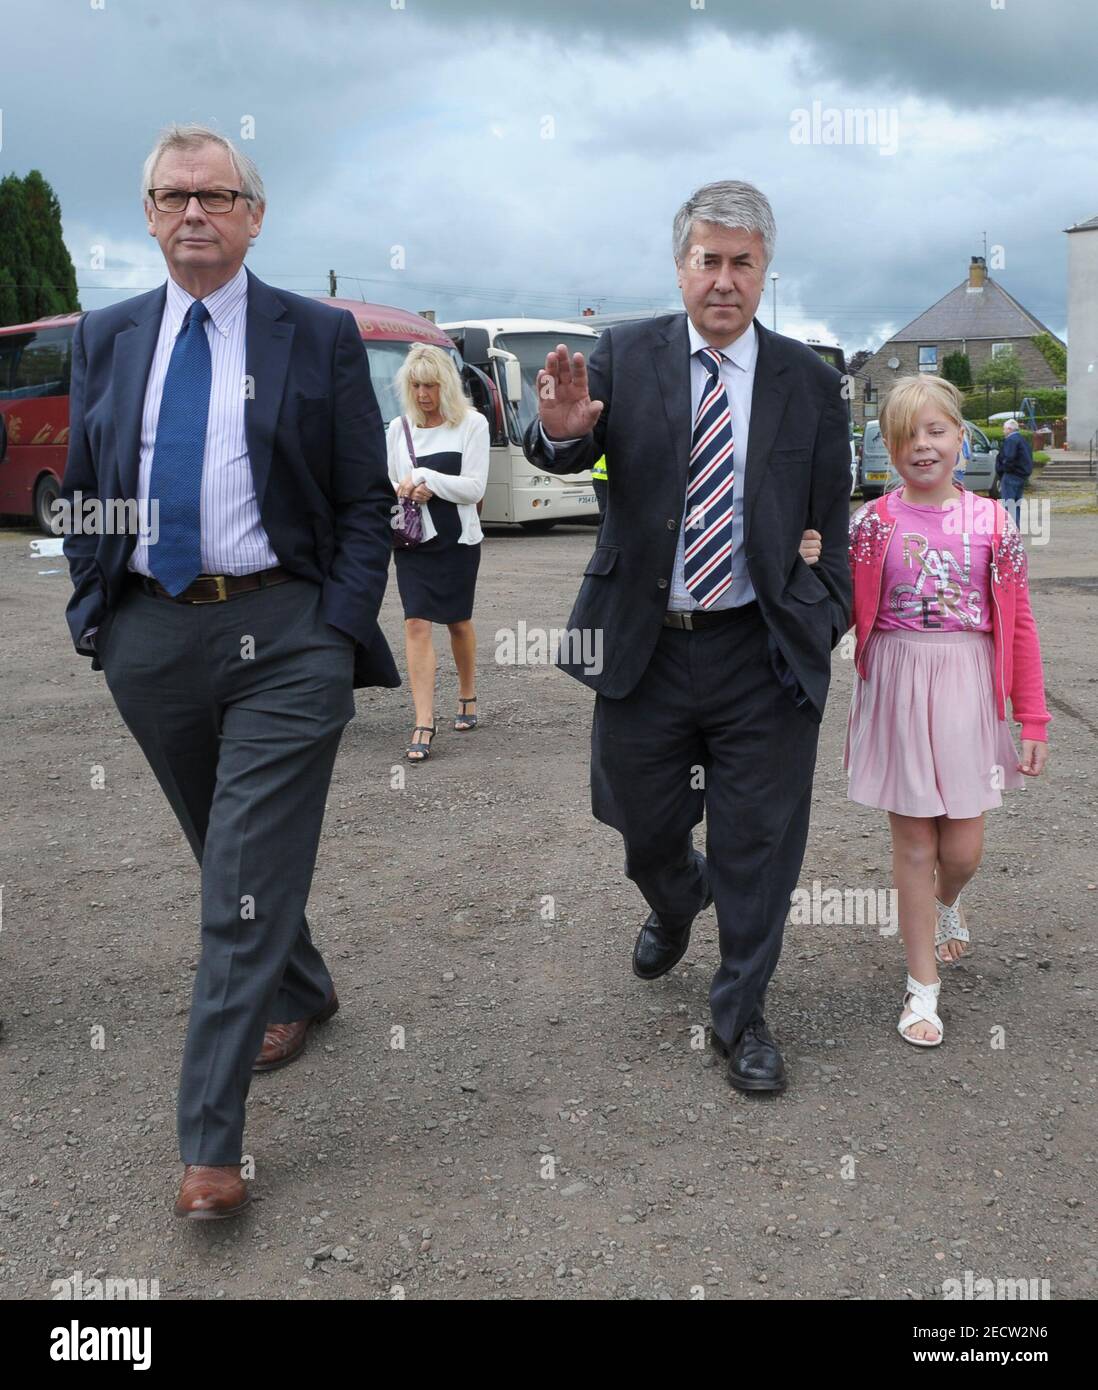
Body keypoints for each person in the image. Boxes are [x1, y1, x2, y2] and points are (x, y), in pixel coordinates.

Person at [60, 123, 398, 1219]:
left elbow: (360, 498)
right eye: (172, 195)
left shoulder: (317, 334)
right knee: (226, 846)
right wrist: (95, 612)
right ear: (149, 215)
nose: (193, 212)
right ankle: (302, 981)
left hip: (285, 635)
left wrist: (339, 627)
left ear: (255, 214)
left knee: (235, 877)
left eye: (215, 195)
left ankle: (211, 1145)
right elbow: (83, 486)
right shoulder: (106, 337)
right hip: (153, 635)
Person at [523, 180, 851, 1094]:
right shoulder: (625, 357)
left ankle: (740, 1016)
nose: (723, 279)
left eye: (742, 262)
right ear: (680, 268)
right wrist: (556, 434)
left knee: (758, 844)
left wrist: (822, 617)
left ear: (764, 271)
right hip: (646, 646)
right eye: (707, 259)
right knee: (639, 820)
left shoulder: (810, 385)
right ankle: (675, 895)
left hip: (763, 651)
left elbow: (836, 524)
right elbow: (562, 440)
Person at [847, 376, 1050, 1047]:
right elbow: (840, 605)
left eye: (936, 430)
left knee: (961, 849)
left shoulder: (994, 521)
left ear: (962, 440)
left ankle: (947, 903)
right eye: (906, 436)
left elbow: (1017, 623)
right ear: (892, 451)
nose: (922, 446)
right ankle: (921, 991)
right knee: (913, 844)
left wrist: (1033, 718)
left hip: (968, 687)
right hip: (899, 687)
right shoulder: (872, 524)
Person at [387, 343, 489, 761]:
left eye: (430, 385)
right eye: (416, 385)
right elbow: (392, 482)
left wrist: (428, 477)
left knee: (459, 622)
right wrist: (407, 488)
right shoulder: (398, 429)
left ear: (445, 385)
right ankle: (423, 720)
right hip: (413, 539)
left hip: (458, 541)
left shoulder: (472, 424)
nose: (424, 394)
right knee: (416, 622)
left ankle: (467, 693)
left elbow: (475, 488)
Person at [996, 418, 1033, 527]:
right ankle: (1015, 527)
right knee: (1016, 503)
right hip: (1021, 475)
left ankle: (1010, 528)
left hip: (1011, 475)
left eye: (1004, 429)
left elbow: (1009, 457)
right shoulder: (1022, 439)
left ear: (1009, 429)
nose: (1003, 431)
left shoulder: (1011, 440)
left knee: (1008, 503)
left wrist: (1003, 470)